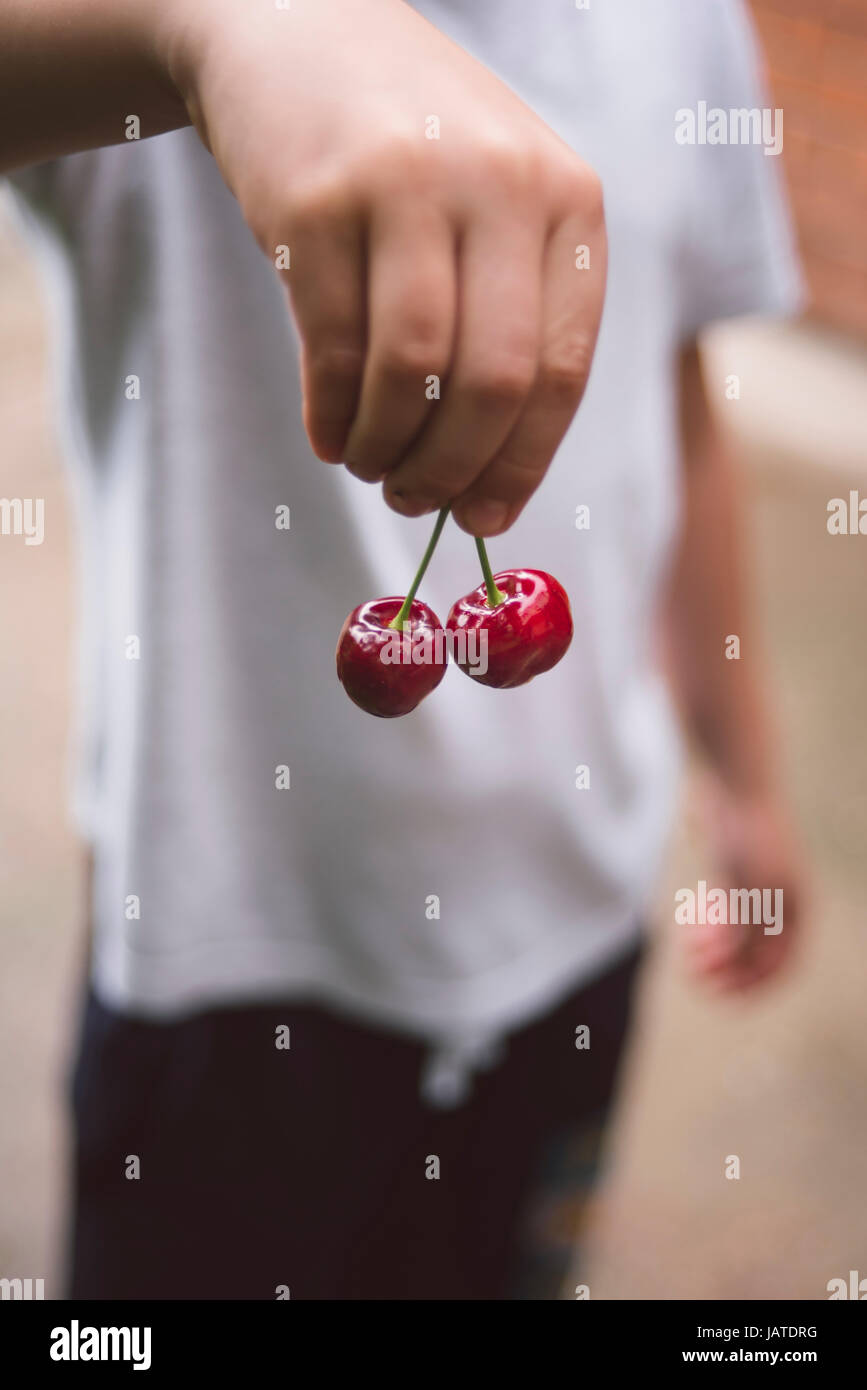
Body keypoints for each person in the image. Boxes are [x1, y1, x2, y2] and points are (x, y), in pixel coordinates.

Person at [1, 0, 805, 1299]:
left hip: (578, 909)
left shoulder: (682, 23)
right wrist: (204, 33)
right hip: (235, 949)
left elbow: (678, 397)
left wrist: (746, 777)